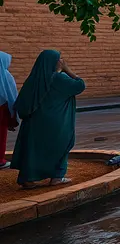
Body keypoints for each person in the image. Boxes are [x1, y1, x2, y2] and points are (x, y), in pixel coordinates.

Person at [12, 50, 86, 187]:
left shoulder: (34, 79)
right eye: (59, 59)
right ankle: (56, 177)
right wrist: (67, 69)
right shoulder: (59, 79)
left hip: (33, 122)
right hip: (56, 122)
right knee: (61, 146)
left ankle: (28, 179)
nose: (61, 61)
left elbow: (21, 102)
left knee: (33, 150)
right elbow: (80, 85)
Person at [0, 51, 19, 169]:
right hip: (2, 111)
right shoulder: (6, 76)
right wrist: (13, 117)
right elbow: (11, 96)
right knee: (1, 135)